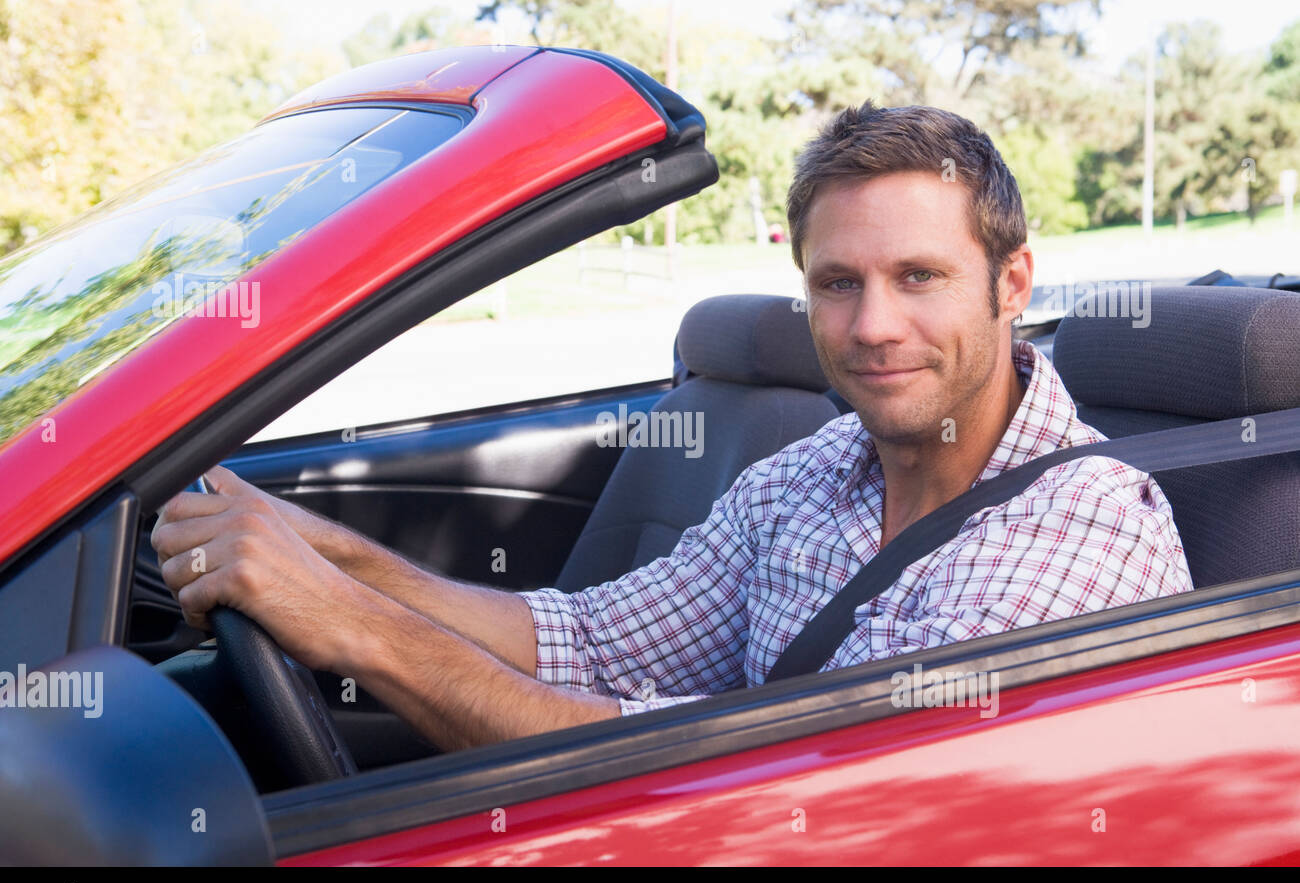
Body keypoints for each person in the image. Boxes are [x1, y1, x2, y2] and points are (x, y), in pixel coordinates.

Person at [152, 101, 1193, 751]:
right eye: (837, 283)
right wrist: (322, 551)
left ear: (1011, 282)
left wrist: (351, 625)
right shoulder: (816, 470)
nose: (873, 326)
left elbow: (786, 779)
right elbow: (590, 641)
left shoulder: (1075, 532)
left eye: (918, 277)